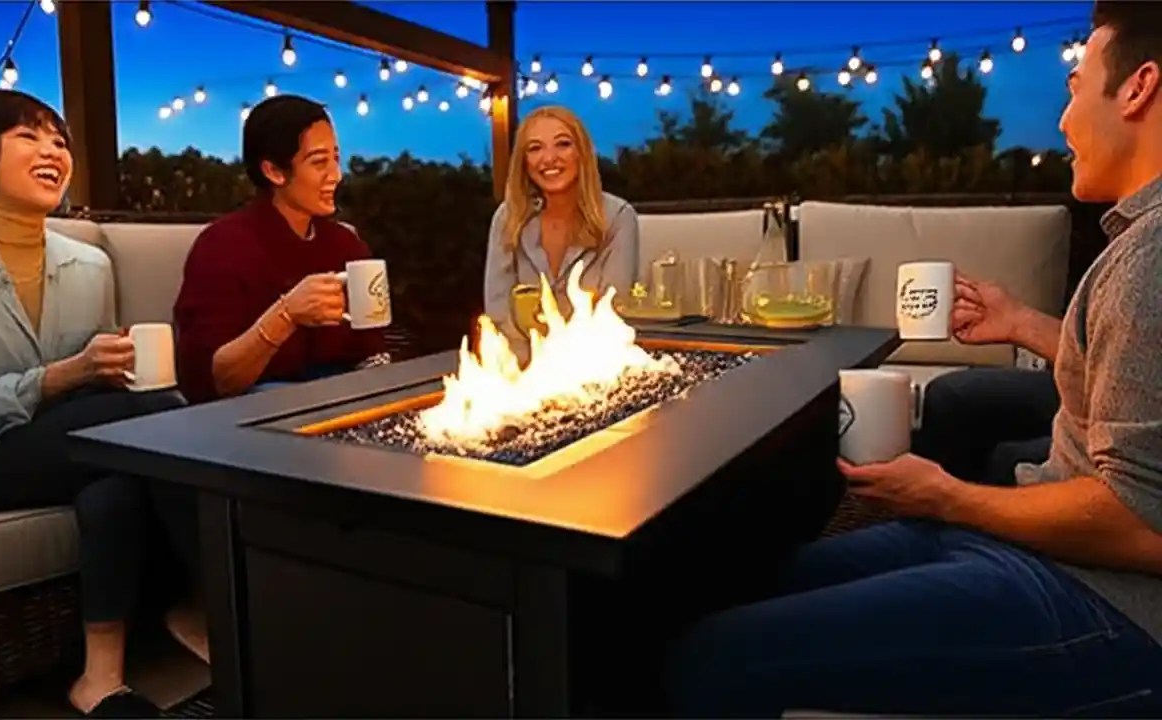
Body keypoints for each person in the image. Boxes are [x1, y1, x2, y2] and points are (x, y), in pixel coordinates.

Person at [668, 3, 1162, 716]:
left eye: (1076, 86)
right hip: (1049, 545)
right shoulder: (1140, 244)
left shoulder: (1150, 258)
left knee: (711, 657)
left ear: (1139, 88)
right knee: (770, 573)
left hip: (1108, 603)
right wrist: (1021, 322)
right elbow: (1132, 379)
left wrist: (947, 496)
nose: (1060, 119)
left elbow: (1146, 524)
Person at [0, 89, 204, 718]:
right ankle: (213, 599)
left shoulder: (86, 263)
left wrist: (109, 373)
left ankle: (100, 680)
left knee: (117, 473)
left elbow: (93, 385)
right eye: (29, 136)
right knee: (158, 417)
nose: (54, 149)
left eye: (58, 138)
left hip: (62, 439)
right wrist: (64, 376)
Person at [173, 95, 389, 403]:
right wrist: (287, 314)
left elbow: (372, 347)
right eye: (318, 162)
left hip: (344, 398)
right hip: (258, 410)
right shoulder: (223, 247)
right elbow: (207, 381)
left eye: (335, 159)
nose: (336, 175)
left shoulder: (345, 243)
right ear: (274, 172)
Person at [483, 105, 639, 362]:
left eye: (563, 144)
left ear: (582, 153)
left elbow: (613, 313)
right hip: (522, 373)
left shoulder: (618, 217)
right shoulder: (508, 217)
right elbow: (499, 314)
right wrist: (526, 375)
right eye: (535, 148)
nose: (549, 158)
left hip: (595, 370)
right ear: (524, 162)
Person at [912, 278, 1063, 486]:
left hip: (1119, 419)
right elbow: (1109, 353)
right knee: (949, 395)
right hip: (1097, 382)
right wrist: (1016, 321)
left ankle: (960, 505)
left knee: (1011, 459)